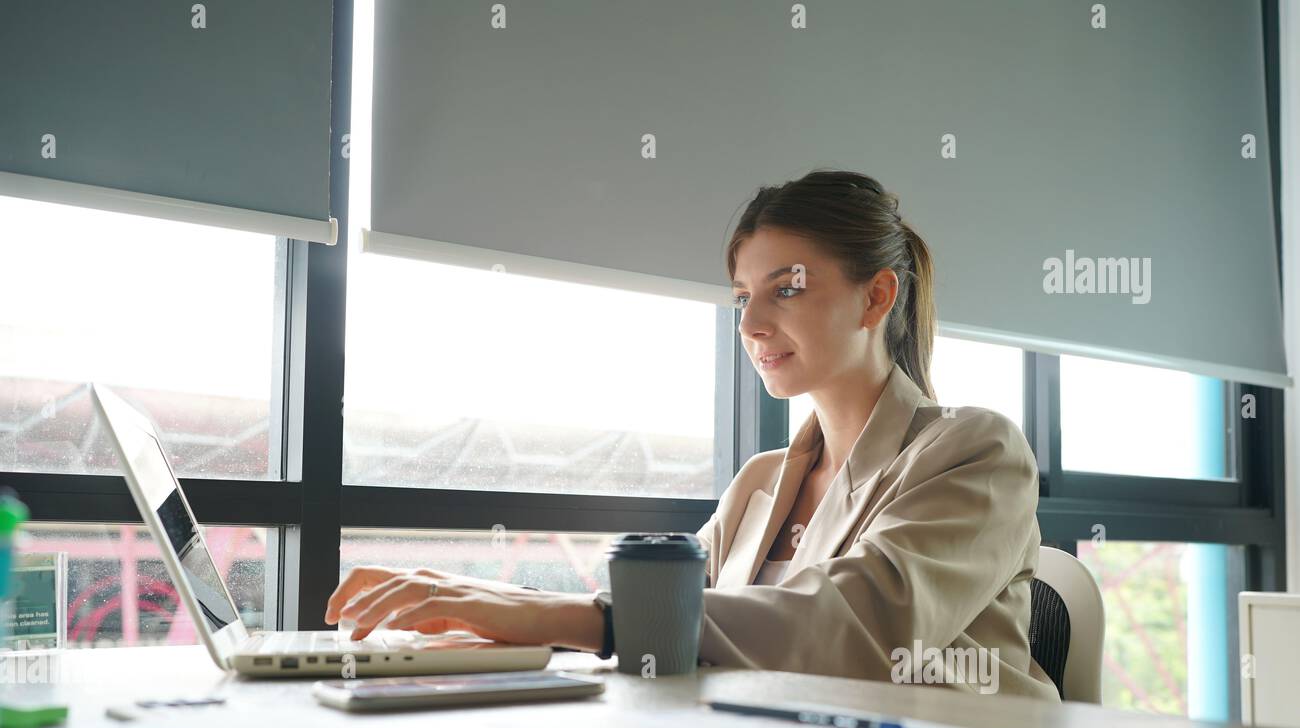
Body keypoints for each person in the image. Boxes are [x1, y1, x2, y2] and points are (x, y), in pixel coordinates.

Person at [325, 169, 1060, 701]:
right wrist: (492, 625)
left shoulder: (977, 452)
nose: (750, 325)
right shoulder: (758, 485)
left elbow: (858, 629)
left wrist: (547, 614)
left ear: (876, 296)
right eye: (743, 297)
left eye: (787, 288)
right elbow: (666, 630)